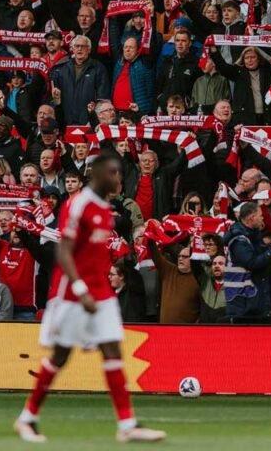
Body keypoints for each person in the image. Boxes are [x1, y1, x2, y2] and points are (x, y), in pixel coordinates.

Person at [14, 153, 165, 443]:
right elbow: (64, 251)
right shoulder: (78, 204)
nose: (119, 178)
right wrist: (82, 290)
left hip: (102, 292)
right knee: (61, 355)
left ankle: (127, 425)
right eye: (114, 172)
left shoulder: (105, 210)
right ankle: (27, 418)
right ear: (97, 174)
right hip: (73, 293)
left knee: (113, 351)